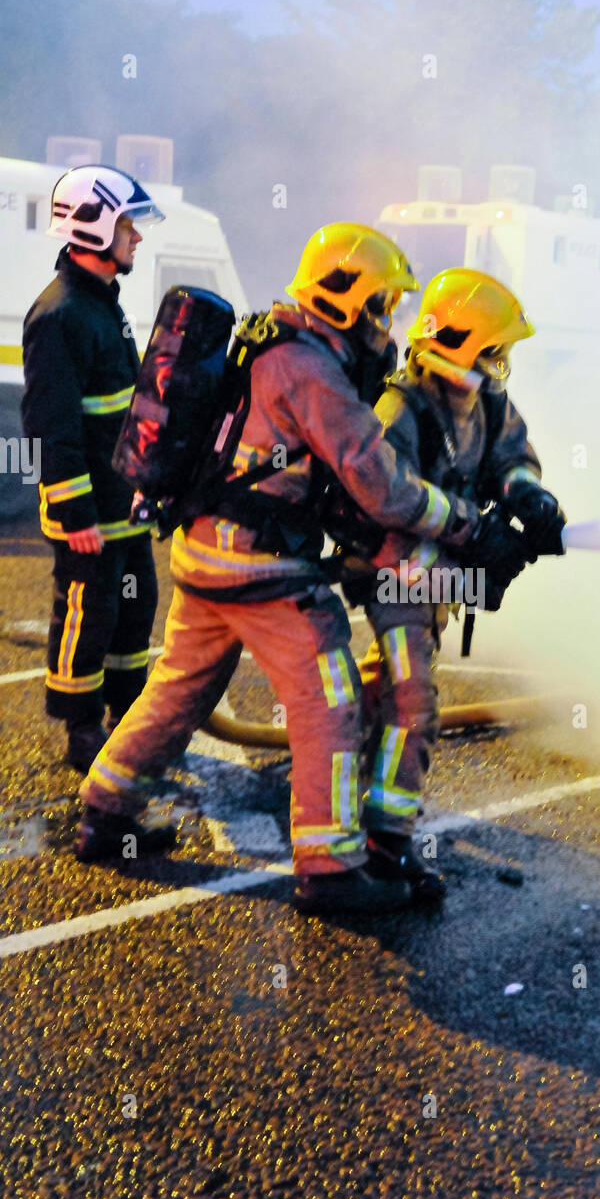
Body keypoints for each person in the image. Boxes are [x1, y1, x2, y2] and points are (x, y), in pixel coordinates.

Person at [76, 226, 524, 915]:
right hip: (257, 566)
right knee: (330, 703)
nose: (387, 324)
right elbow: (382, 487)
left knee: (178, 689)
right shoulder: (309, 371)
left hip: (204, 550)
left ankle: (105, 809)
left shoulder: (278, 342)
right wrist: (469, 528)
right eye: (380, 306)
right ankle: (331, 868)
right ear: (344, 299)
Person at [353, 269, 567, 899]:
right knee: (415, 701)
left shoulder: (486, 401)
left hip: (437, 570)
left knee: (384, 684)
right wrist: (471, 571)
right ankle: (385, 839)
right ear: (457, 340)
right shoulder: (402, 410)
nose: (501, 362)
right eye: (493, 349)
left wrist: (530, 496)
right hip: (396, 579)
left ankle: (335, 756)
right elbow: (386, 525)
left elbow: (510, 457)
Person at [21, 165, 165, 772]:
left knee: (135, 608)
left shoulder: (103, 304)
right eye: (129, 225)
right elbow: (53, 428)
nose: (137, 238)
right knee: (87, 614)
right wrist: (77, 512)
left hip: (122, 503)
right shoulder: (58, 315)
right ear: (98, 225)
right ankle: (83, 733)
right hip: (91, 513)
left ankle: (126, 718)